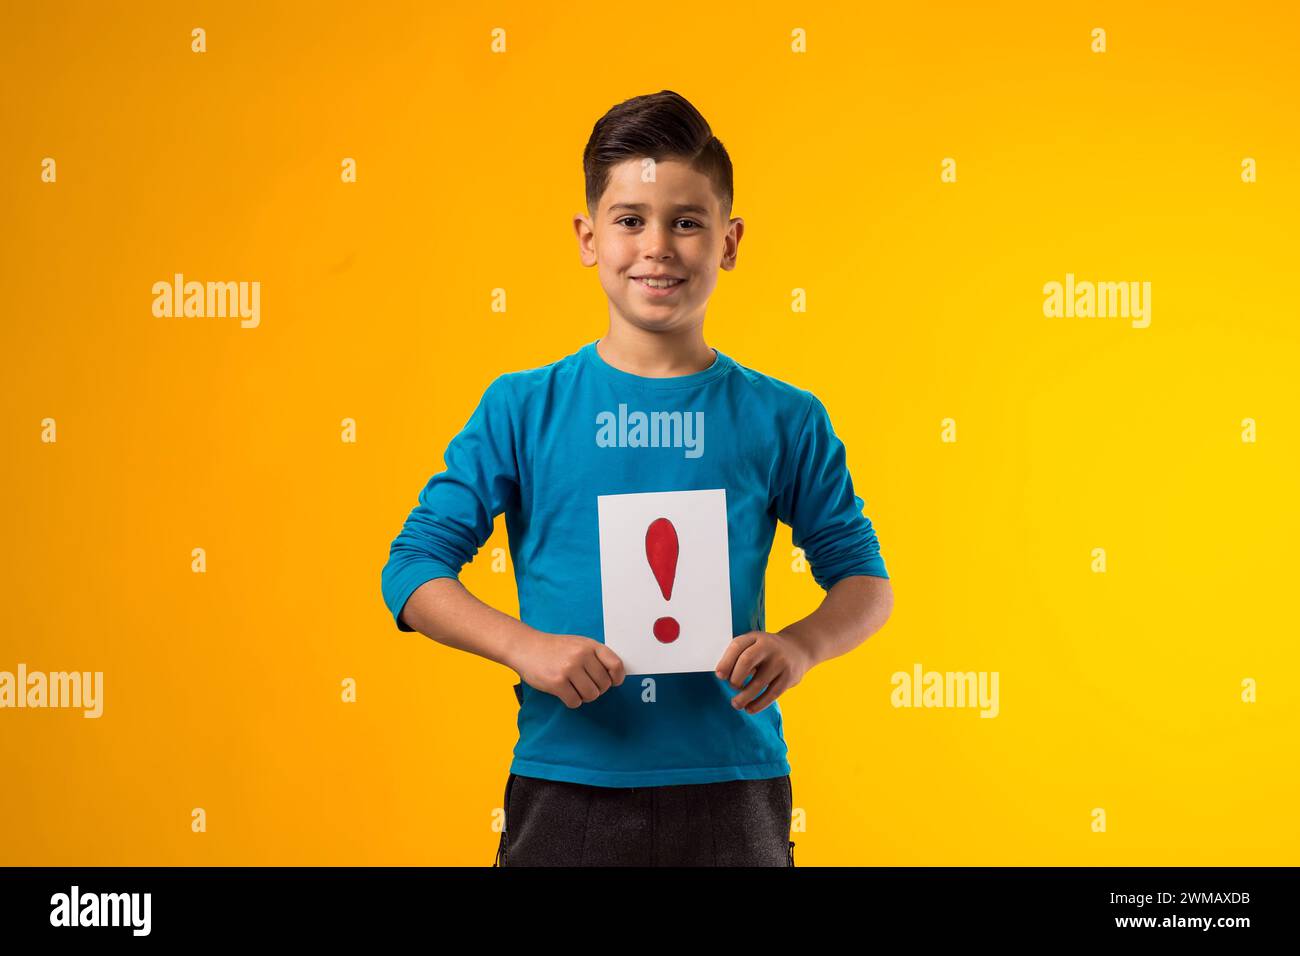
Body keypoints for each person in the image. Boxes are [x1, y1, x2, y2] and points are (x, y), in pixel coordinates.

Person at [380, 90, 894, 867]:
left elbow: (865, 580)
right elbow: (411, 571)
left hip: (733, 784)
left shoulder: (784, 417)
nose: (657, 246)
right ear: (589, 238)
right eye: (630, 220)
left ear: (729, 241)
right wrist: (527, 648)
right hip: (566, 785)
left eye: (687, 221)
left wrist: (800, 645)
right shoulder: (522, 408)